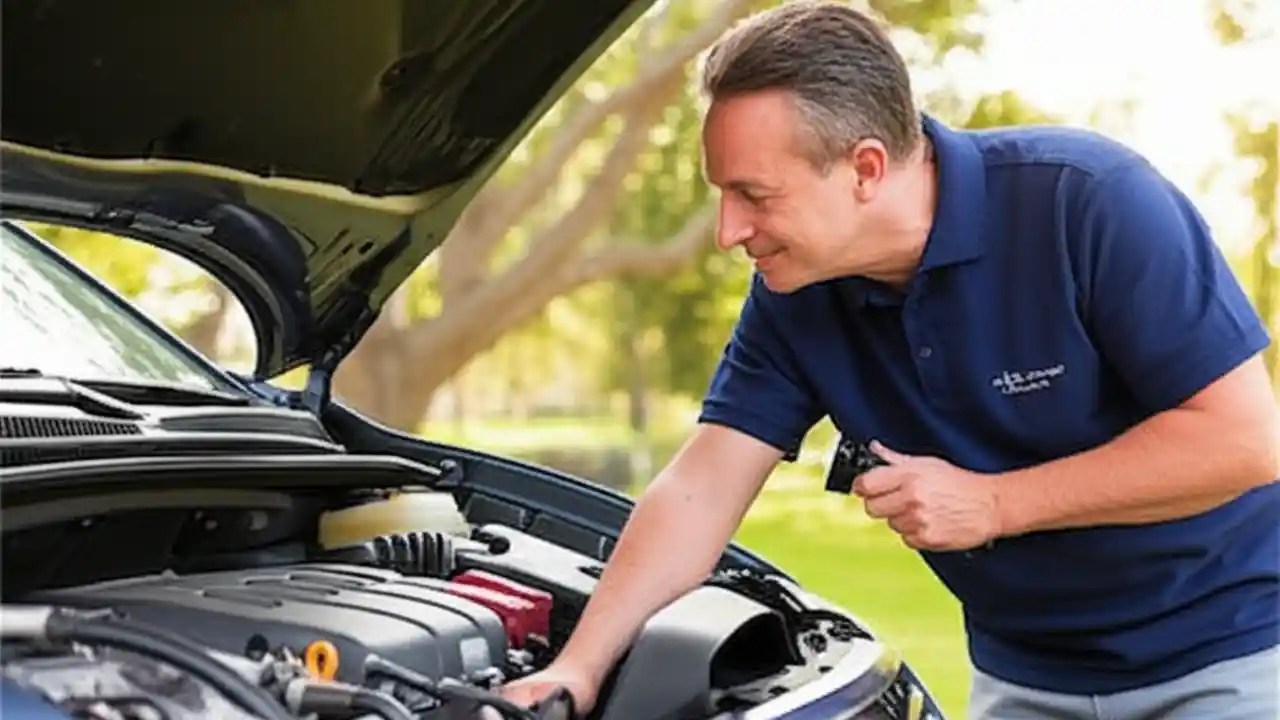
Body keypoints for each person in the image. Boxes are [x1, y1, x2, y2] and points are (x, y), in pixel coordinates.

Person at [501, 1, 1280, 718]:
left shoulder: (1089, 204)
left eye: (754, 195)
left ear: (866, 169)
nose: (727, 231)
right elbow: (702, 486)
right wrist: (579, 667)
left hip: (1232, 654)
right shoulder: (796, 293)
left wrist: (995, 504)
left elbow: (1245, 441)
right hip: (1026, 678)